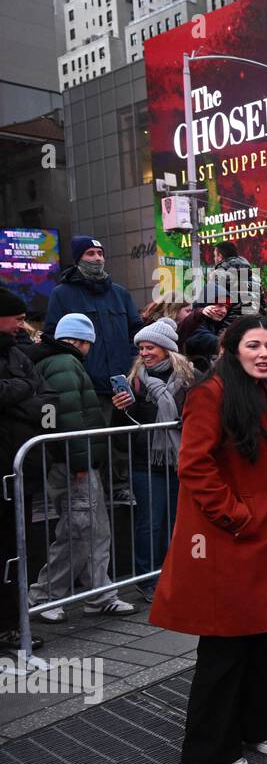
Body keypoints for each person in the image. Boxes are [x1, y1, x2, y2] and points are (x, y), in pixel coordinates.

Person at [150, 317, 267, 764]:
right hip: (229, 541)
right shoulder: (211, 394)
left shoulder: (259, 389)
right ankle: (210, 749)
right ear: (232, 348)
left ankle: (262, 726)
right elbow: (195, 465)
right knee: (225, 645)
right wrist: (237, 515)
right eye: (254, 345)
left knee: (263, 636)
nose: (264, 354)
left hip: (261, 537)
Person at [27, 314, 134, 621]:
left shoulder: (56, 362)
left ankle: (100, 595)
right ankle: (44, 597)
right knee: (79, 531)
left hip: (72, 461)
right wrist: (81, 463)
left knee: (92, 529)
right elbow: (71, 418)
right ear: (82, 341)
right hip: (75, 464)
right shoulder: (64, 364)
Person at [43, 235, 143, 502]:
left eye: (100, 253)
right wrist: (78, 368)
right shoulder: (62, 294)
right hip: (87, 384)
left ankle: (119, 486)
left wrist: (133, 365)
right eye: (90, 253)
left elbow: (135, 332)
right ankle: (90, 494)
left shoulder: (120, 293)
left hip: (121, 381)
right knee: (93, 441)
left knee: (121, 439)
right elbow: (53, 337)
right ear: (78, 259)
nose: (97, 258)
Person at [111, 317, 194, 603]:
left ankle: (173, 574)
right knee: (150, 524)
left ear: (166, 349)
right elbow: (120, 433)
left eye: (150, 348)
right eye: (141, 348)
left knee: (175, 523)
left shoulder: (189, 379)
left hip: (180, 461)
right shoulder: (135, 381)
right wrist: (121, 410)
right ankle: (148, 580)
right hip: (145, 463)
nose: (144, 353)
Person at [0, 290, 53, 651]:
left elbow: (47, 402)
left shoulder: (19, 354)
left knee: (18, 550)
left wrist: (16, 397)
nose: (22, 325)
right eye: (17, 319)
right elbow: (31, 391)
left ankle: (12, 624)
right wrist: (24, 390)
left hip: (22, 471)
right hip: (6, 467)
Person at [177, 299, 232, 370]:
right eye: (220, 305)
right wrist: (226, 346)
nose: (224, 311)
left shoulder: (213, 324)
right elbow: (198, 336)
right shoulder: (195, 321)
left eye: (227, 307)